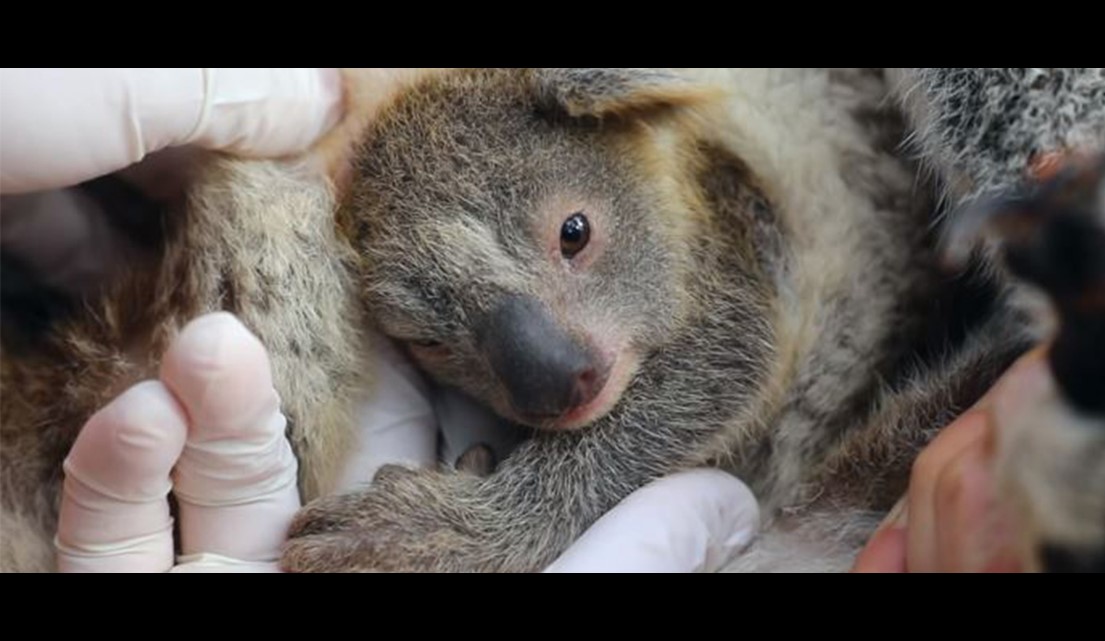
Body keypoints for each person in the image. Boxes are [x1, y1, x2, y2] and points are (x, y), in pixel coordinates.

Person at [1, 68, 1041, 573]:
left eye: (576, 238)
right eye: (437, 343)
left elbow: (737, 318)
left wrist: (518, 516)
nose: (555, 377)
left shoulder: (648, 143)